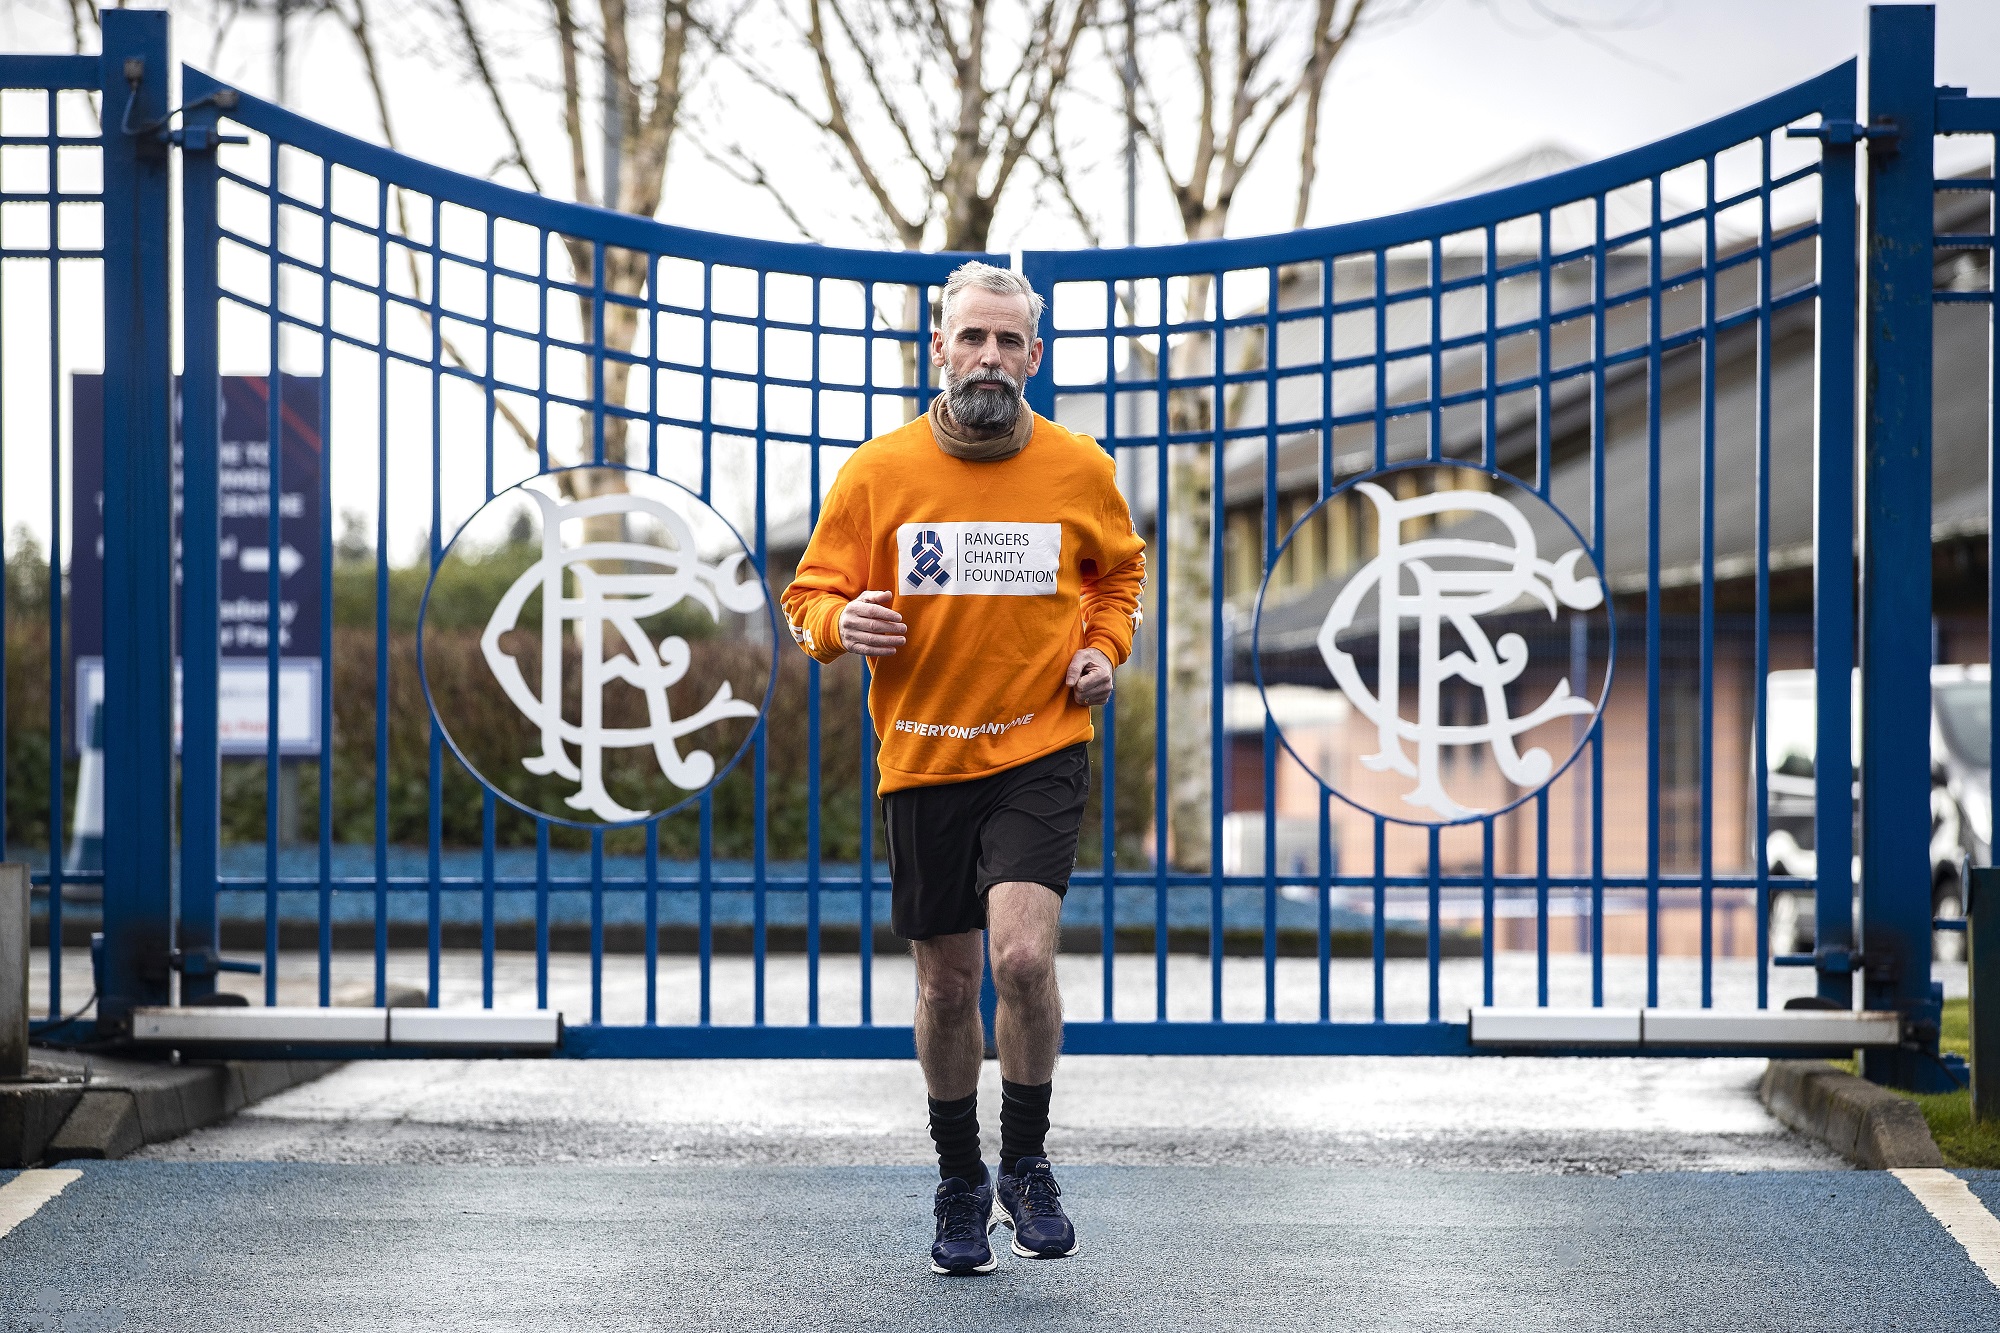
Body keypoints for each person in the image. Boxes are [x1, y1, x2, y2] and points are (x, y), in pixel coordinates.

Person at [780, 261, 1146, 1276]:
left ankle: (1025, 1162)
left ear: (1035, 354)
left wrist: (1101, 650)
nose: (989, 356)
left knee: (1022, 959)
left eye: (1008, 340)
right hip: (923, 755)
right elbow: (809, 594)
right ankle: (958, 1176)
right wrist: (834, 622)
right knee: (947, 986)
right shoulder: (876, 472)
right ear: (937, 348)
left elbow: (1117, 570)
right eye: (970, 339)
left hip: (1039, 743)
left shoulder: (1080, 467)